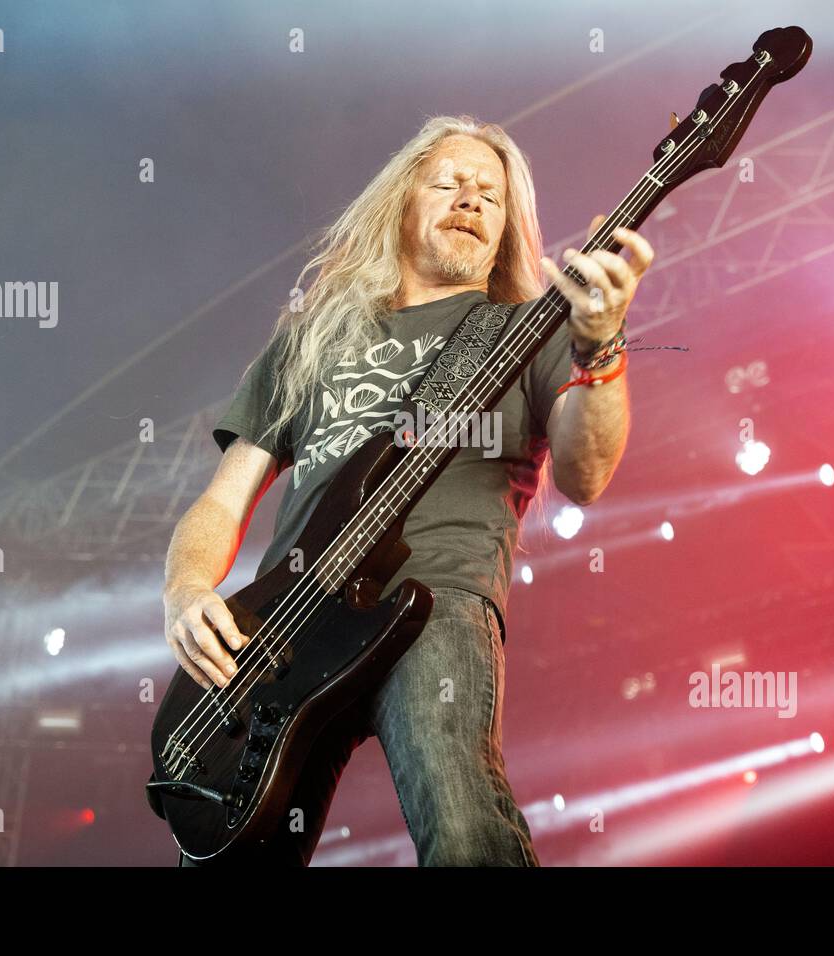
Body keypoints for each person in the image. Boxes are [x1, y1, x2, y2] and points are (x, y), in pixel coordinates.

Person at [162, 115, 653, 866]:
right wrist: (189, 591)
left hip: (436, 597)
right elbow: (224, 500)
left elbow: (587, 476)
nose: (470, 200)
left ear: (508, 228)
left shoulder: (528, 331)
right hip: (285, 632)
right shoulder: (314, 339)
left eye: (490, 194)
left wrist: (604, 348)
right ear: (401, 202)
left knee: (460, 825)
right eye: (449, 182)